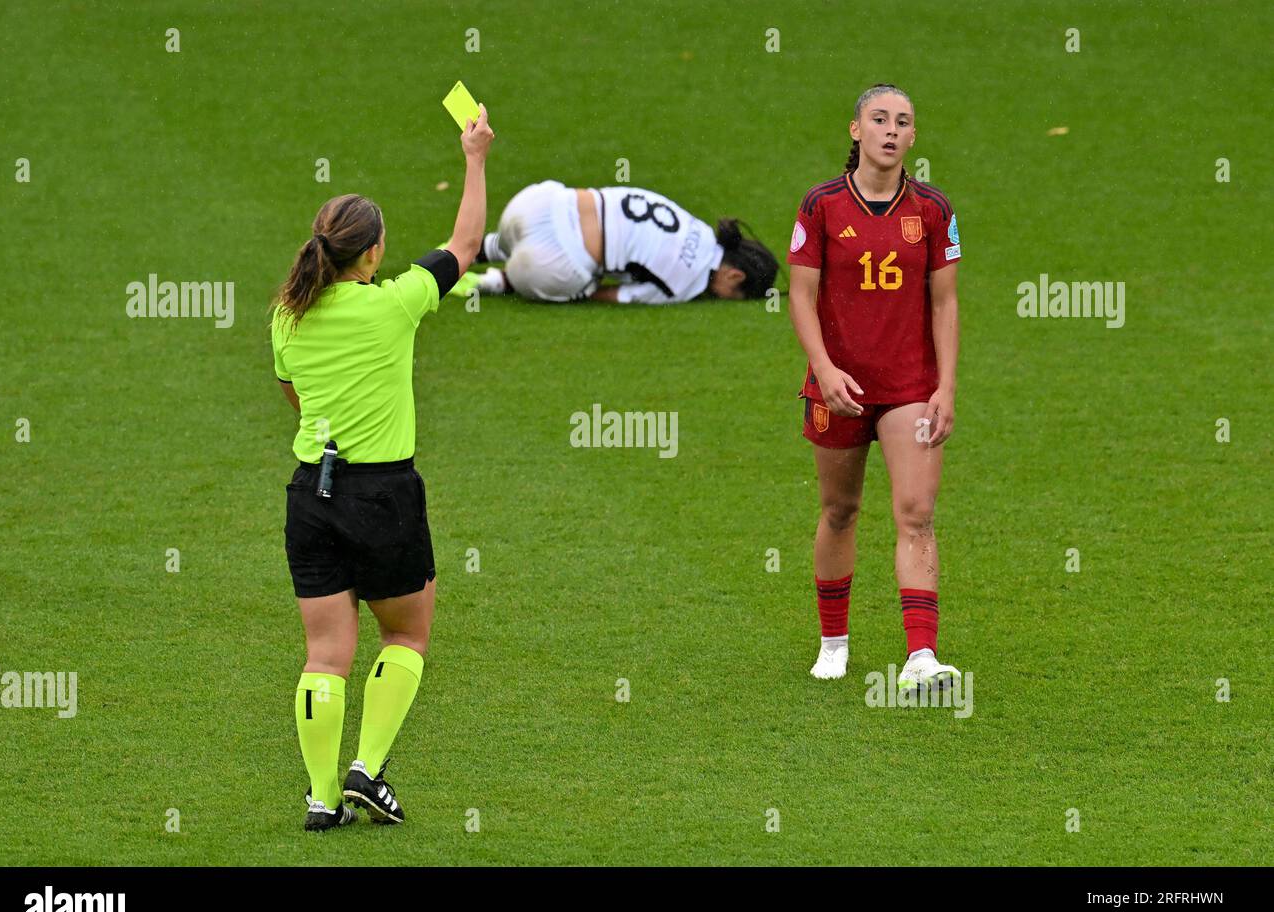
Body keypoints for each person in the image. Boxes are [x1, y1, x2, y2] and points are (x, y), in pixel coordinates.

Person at [270, 107, 494, 831]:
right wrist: (475, 155)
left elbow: (294, 396)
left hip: (310, 493)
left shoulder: (287, 314)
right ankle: (368, 768)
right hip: (383, 493)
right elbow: (465, 243)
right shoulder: (396, 304)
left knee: (324, 654)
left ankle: (319, 796)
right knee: (406, 638)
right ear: (369, 255)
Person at [787, 84, 963, 691]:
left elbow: (945, 303)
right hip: (837, 387)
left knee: (916, 513)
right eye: (879, 118)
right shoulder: (821, 206)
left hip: (909, 386)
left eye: (904, 121)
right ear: (855, 130)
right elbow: (801, 296)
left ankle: (921, 657)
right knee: (840, 509)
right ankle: (833, 641)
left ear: (913, 137)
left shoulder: (934, 211)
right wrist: (825, 370)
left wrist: (945, 386)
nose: (891, 129)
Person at [449, 180, 778, 304]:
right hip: (545, 265)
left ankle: (468, 252)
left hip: (534, 203)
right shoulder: (686, 285)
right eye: (733, 295)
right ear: (735, 275)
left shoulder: (697, 227)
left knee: (511, 241)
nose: (724, 299)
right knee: (583, 286)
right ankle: (494, 281)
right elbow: (619, 296)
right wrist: (587, 290)